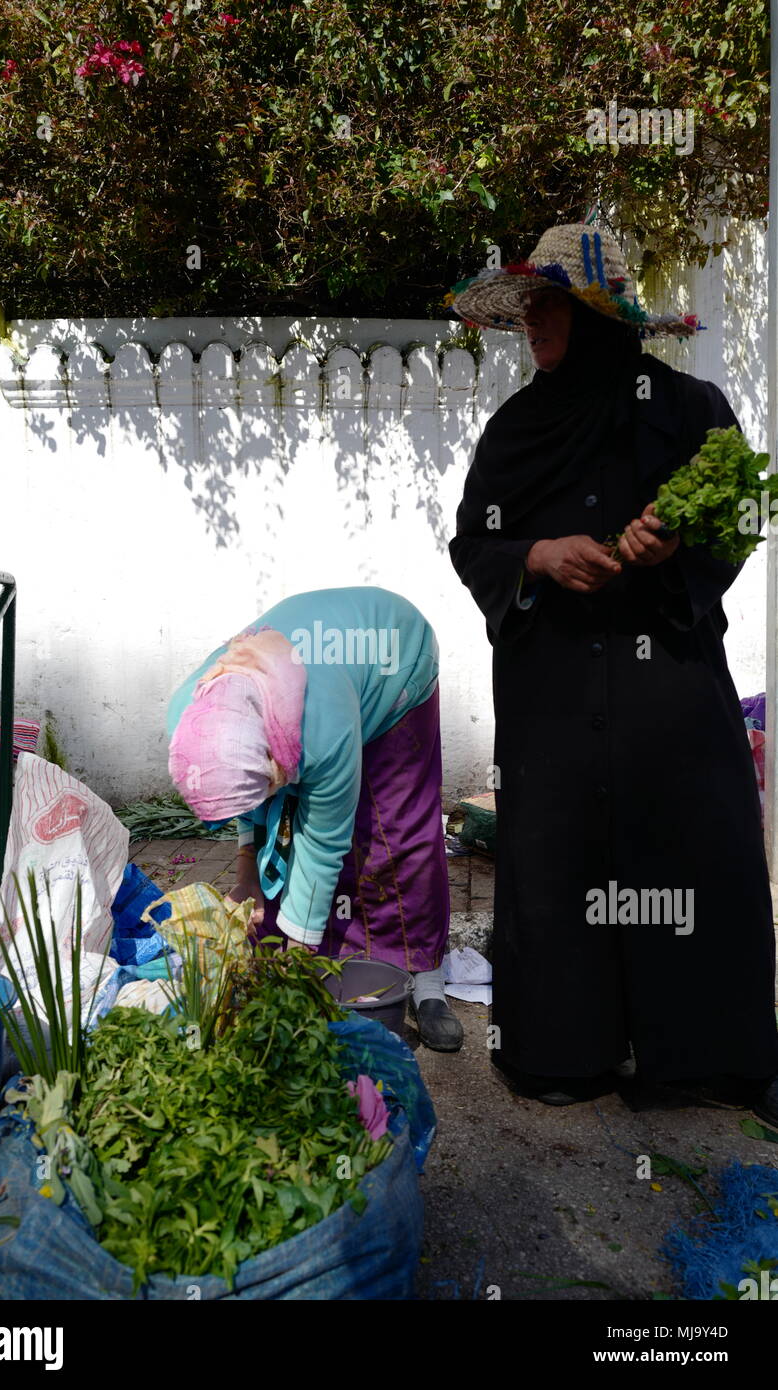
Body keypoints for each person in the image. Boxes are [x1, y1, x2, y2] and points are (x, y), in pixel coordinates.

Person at [448, 220, 778, 1119]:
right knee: (560, 865)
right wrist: (538, 558)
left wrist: (676, 548)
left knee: (695, 853)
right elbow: (473, 541)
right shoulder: (516, 431)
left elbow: (744, 508)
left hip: (664, 678)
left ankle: (700, 1058)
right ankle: (566, 1050)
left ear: (599, 316)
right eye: (528, 309)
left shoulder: (689, 411)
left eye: (552, 305)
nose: (534, 324)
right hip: (552, 693)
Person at [166, 586, 464, 1051]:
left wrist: (294, 970)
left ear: (276, 752)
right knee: (281, 836)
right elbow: (249, 797)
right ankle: (333, 956)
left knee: (395, 829)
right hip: (322, 677)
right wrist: (246, 878)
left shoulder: (322, 728)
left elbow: (323, 843)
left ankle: (425, 977)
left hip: (394, 655)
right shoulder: (193, 716)